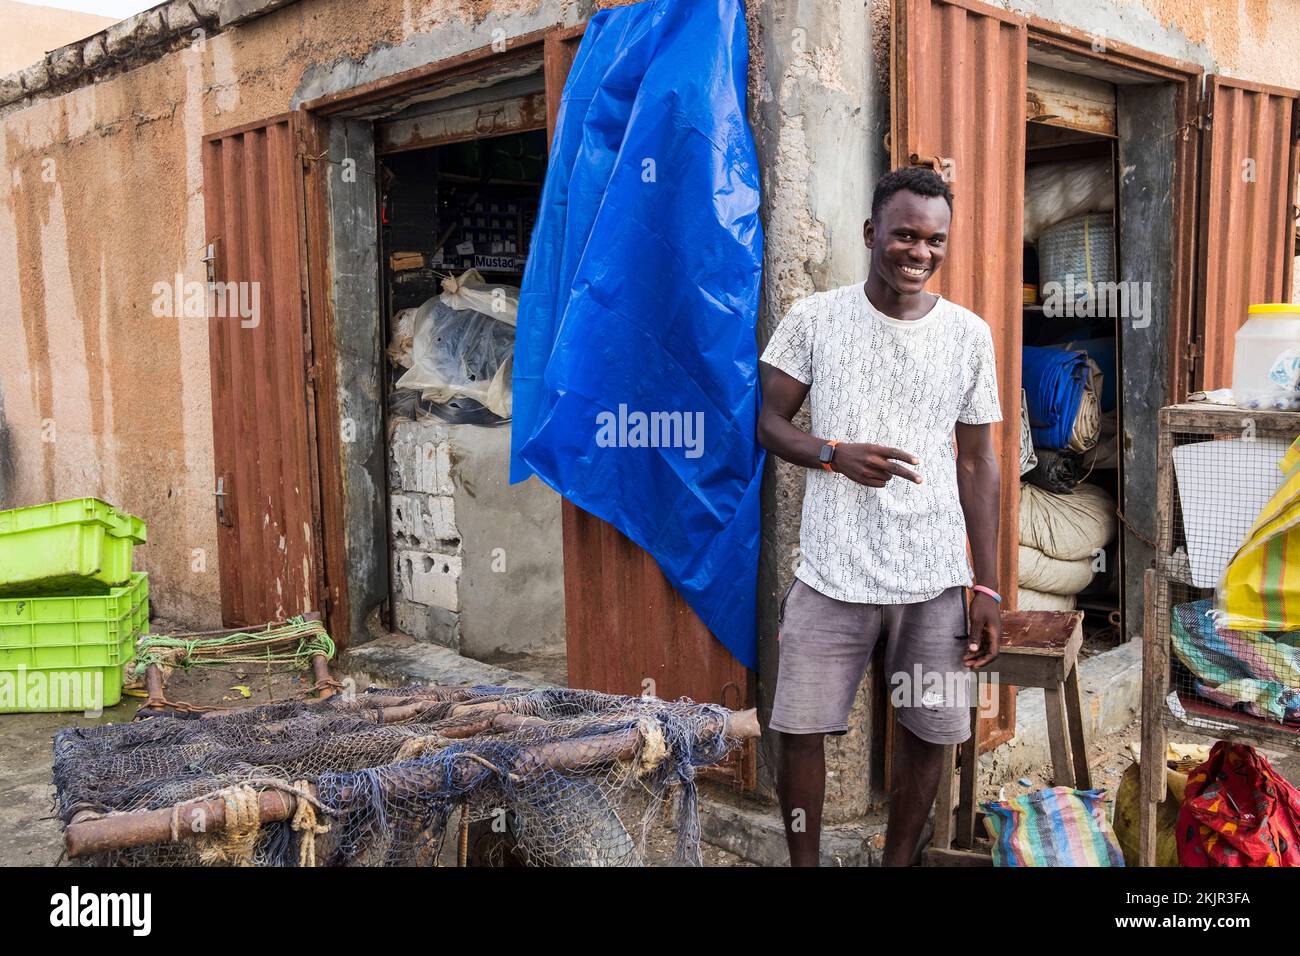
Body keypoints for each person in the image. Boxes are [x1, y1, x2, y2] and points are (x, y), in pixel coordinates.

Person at [757, 166, 1004, 866]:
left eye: (934, 240)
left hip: (931, 580)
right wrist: (832, 454)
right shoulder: (815, 319)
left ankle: (898, 861)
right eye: (903, 235)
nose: (918, 252)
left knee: (930, 728)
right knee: (799, 728)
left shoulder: (967, 335)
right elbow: (768, 424)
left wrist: (985, 587)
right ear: (872, 234)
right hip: (832, 571)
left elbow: (978, 463)